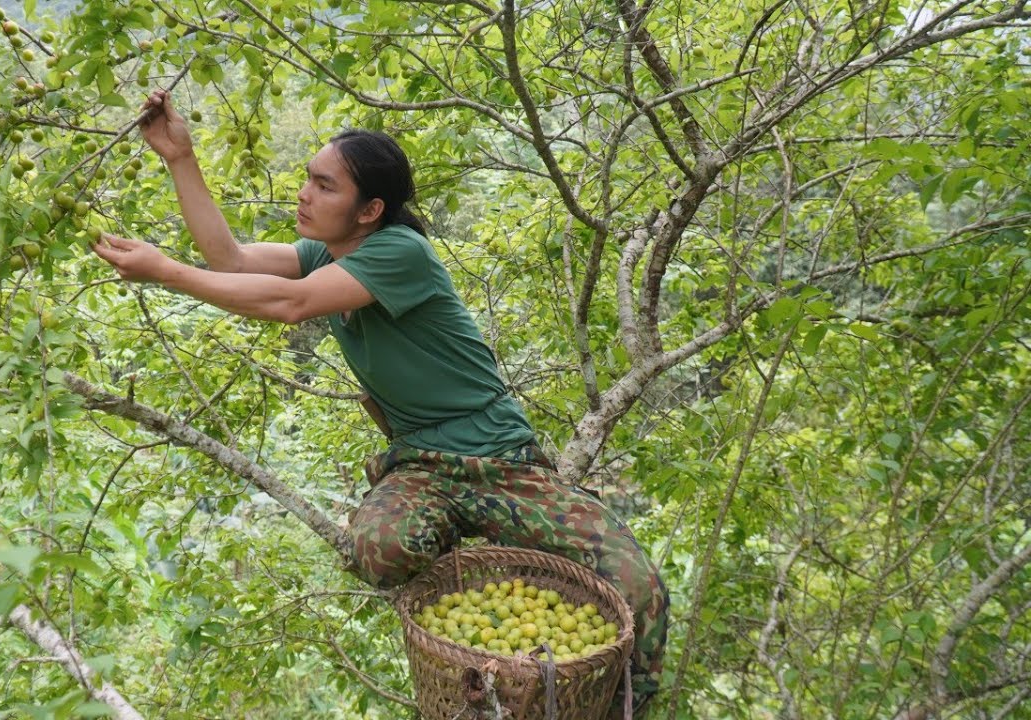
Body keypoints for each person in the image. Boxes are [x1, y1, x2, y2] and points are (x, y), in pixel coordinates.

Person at [91, 89, 670, 717]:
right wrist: (180, 157)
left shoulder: (401, 251)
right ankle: (467, 544)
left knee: (637, 586)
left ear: (370, 210)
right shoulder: (325, 253)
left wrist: (164, 271)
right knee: (380, 551)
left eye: (324, 186)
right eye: (308, 179)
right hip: (421, 462)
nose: (304, 195)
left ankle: (627, 707)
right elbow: (228, 260)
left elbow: (289, 304)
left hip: (500, 458)